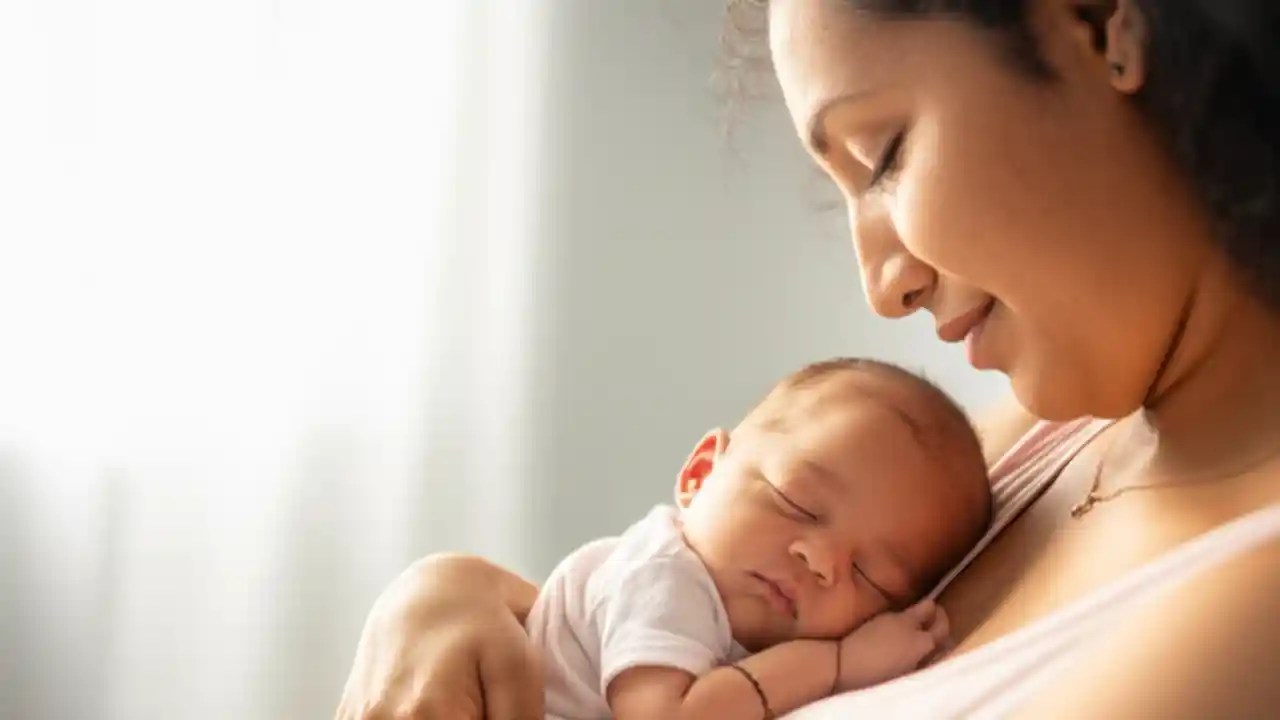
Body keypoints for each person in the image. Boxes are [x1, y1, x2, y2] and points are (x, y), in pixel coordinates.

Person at [335, 0, 1280, 717]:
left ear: (1095, 23)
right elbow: (637, 609)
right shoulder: (1026, 448)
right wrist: (447, 597)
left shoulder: (1250, 611)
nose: (885, 287)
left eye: (884, 156)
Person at [526, 359, 989, 719]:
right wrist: (837, 663)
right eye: (797, 503)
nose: (821, 561)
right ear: (701, 473)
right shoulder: (664, 574)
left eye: (871, 576)